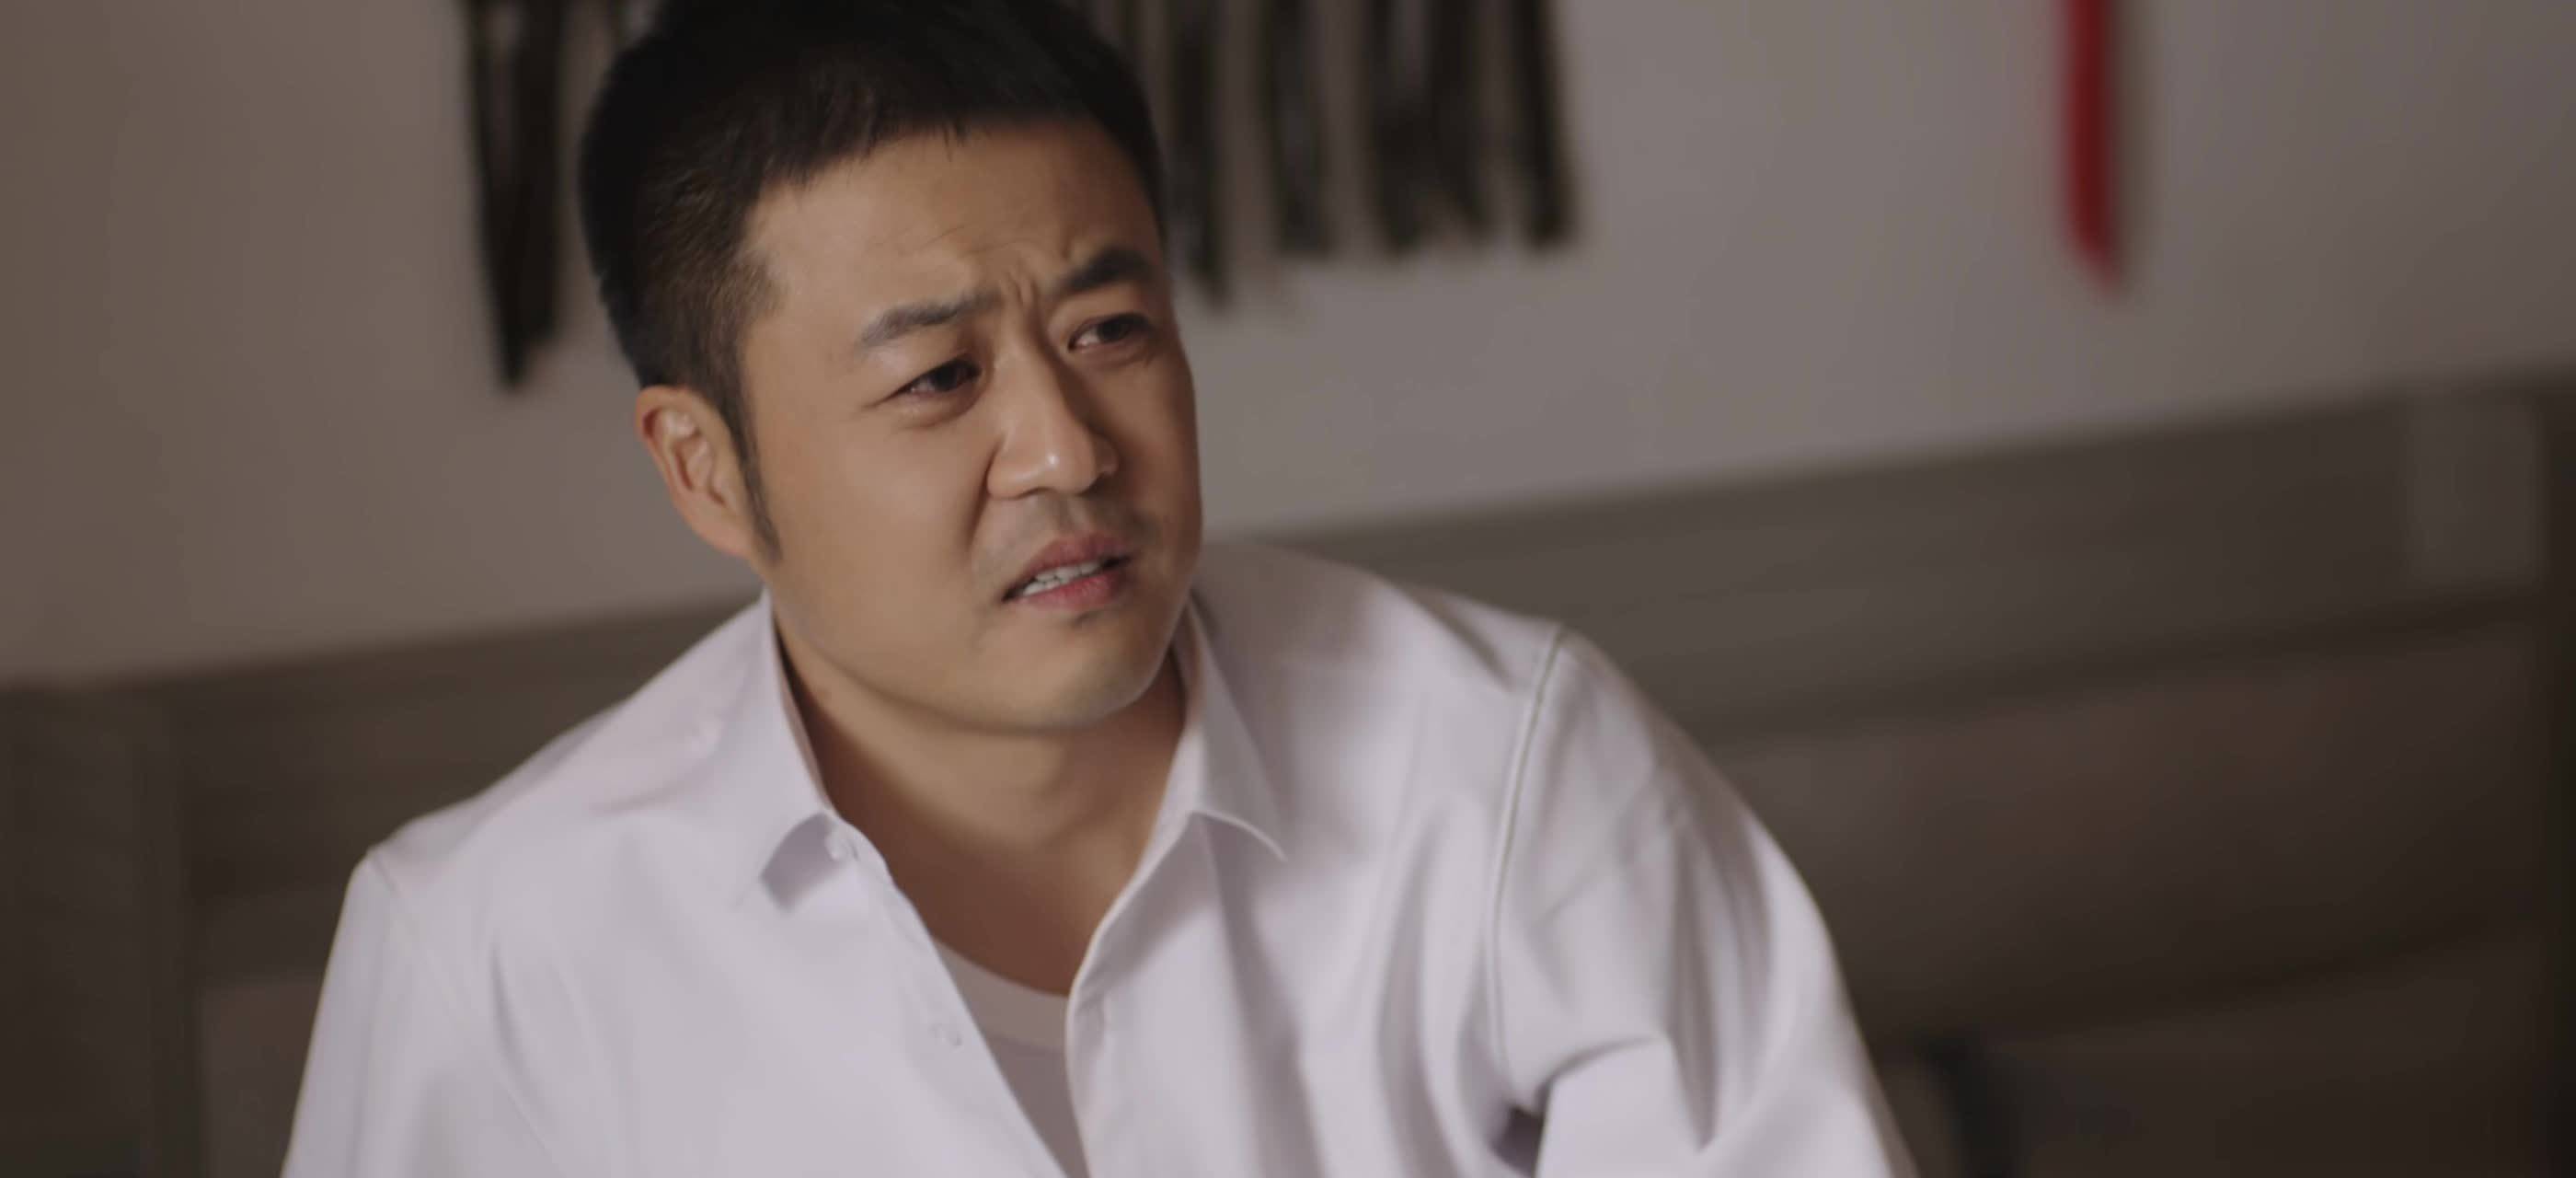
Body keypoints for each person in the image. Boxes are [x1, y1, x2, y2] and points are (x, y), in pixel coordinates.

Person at [282, 1, 1913, 1172]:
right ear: (706, 468)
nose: (1065, 448)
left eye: (1111, 332)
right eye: (938, 379)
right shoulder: (491, 950)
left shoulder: (1505, 767)